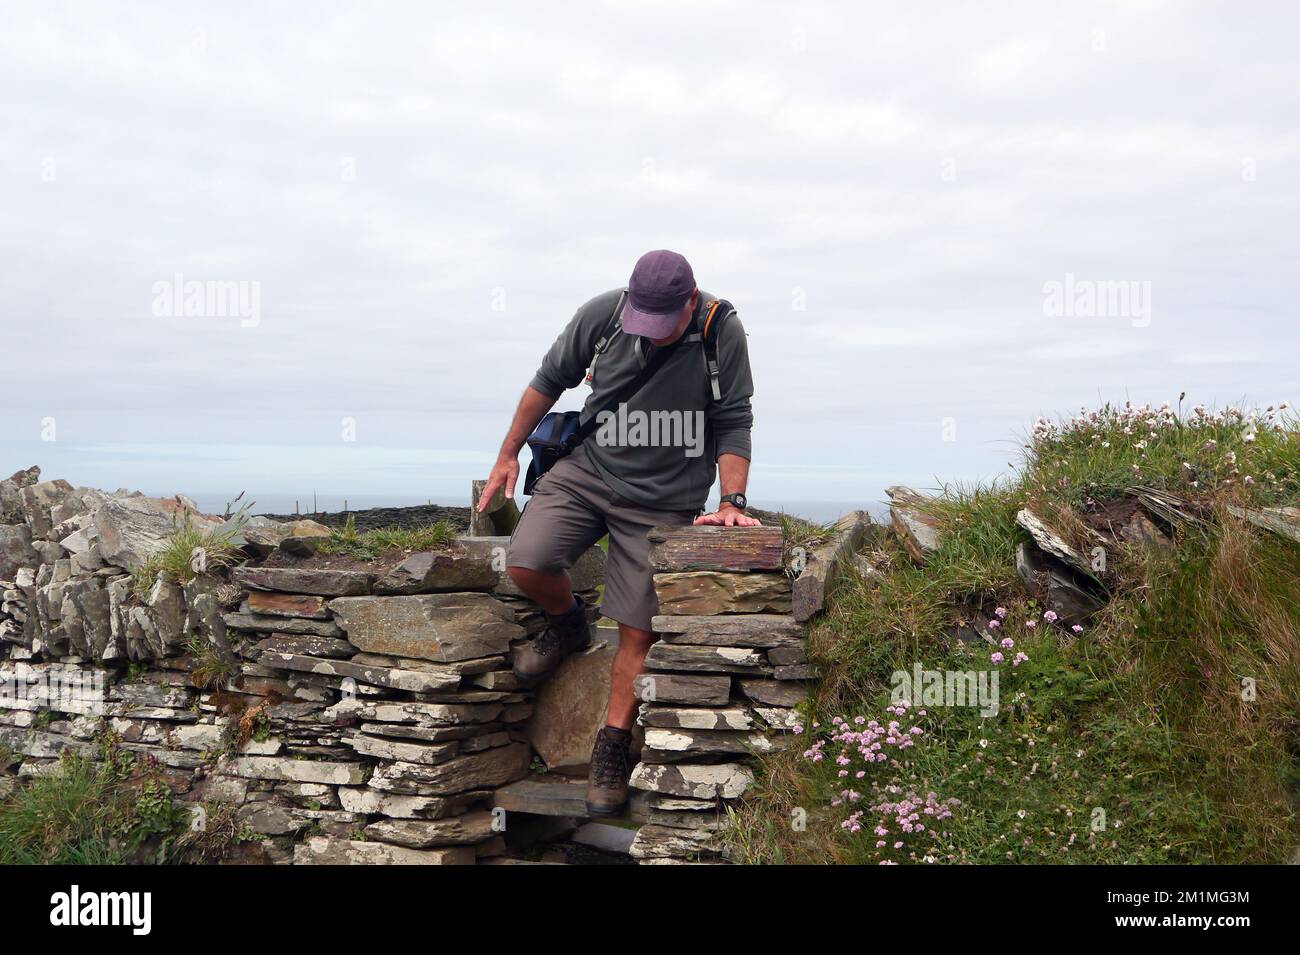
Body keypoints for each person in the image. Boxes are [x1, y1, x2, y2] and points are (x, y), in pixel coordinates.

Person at [478, 249, 759, 816]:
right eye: (643, 321)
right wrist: (507, 454)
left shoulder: (720, 331)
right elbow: (549, 380)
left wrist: (731, 500)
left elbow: (734, 417)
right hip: (589, 470)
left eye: (664, 323)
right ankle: (566, 623)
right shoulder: (603, 315)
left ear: (691, 298)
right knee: (525, 560)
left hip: (665, 497)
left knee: (637, 629)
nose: (651, 335)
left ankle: (610, 746)